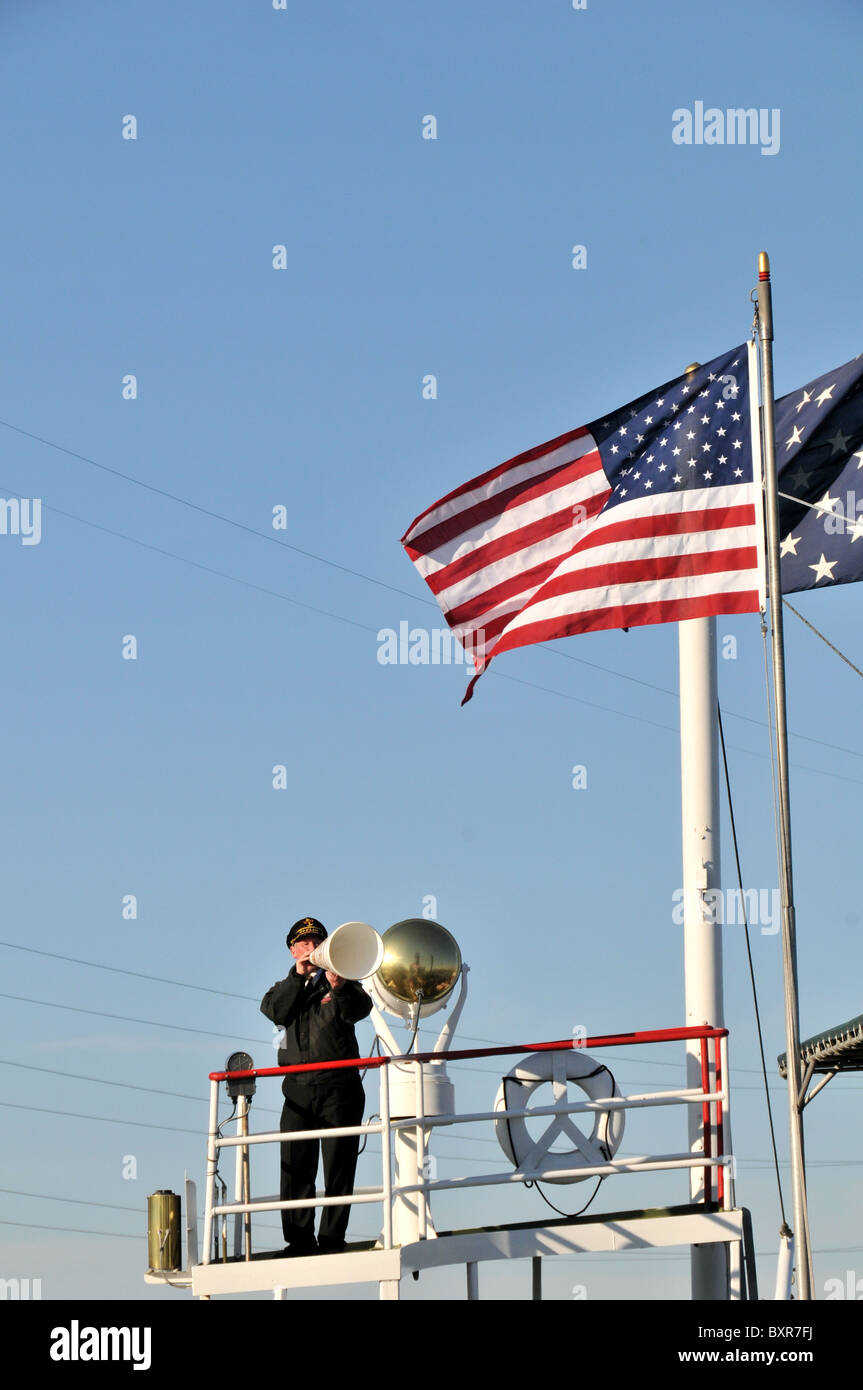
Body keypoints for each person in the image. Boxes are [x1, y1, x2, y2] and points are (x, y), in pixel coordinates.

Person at [260, 916, 373, 1256]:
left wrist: (338, 986)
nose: (311, 949)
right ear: (293, 950)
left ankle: (332, 1240)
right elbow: (273, 1010)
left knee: (338, 1166)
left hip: (340, 1087)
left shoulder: (344, 982)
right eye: (304, 944)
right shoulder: (285, 988)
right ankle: (298, 1241)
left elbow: (359, 1009)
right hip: (297, 1088)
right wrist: (299, 975)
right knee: (295, 1166)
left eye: (317, 943)